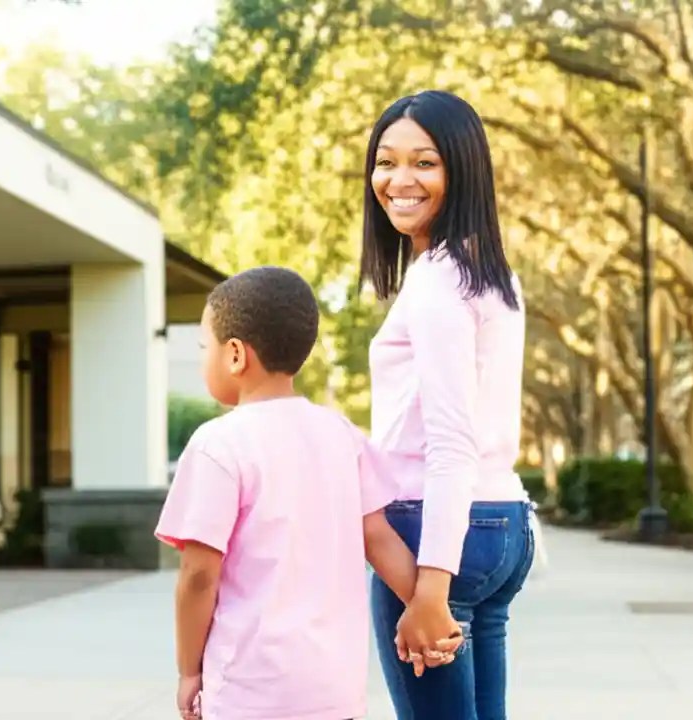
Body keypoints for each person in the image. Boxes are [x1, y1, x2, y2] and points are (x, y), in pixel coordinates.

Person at [155, 266, 459, 720]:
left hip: (248, 695)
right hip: (334, 694)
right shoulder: (341, 434)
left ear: (235, 355)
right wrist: (428, 610)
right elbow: (378, 538)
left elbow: (199, 574)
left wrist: (188, 671)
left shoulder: (216, 445)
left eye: (205, 347)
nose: (204, 358)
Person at [360, 89, 536, 720]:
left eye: (424, 162)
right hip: (503, 522)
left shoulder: (438, 277)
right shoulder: (489, 270)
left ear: (462, 169)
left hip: (435, 534)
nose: (399, 180)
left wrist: (430, 584)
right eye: (386, 161)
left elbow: (450, 439)